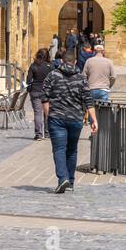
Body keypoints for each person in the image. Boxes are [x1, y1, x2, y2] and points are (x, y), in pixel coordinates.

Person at [42, 50, 98, 194]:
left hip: (57, 118)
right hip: (75, 119)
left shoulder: (52, 76)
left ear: (61, 61)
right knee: (72, 150)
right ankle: (71, 182)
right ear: (74, 62)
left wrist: (49, 115)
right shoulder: (81, 78)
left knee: (59, 149)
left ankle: (63, 179)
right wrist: (94, 120)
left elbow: (45, 98)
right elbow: (88, 100)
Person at [27, 49, 54, 140]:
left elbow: (28, 80)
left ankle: (38, 134)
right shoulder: (50, 66)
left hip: (35, 91)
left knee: (38, 113)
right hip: (46, 92)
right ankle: (47, 133)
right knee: (47, 113)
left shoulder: (33, 66)